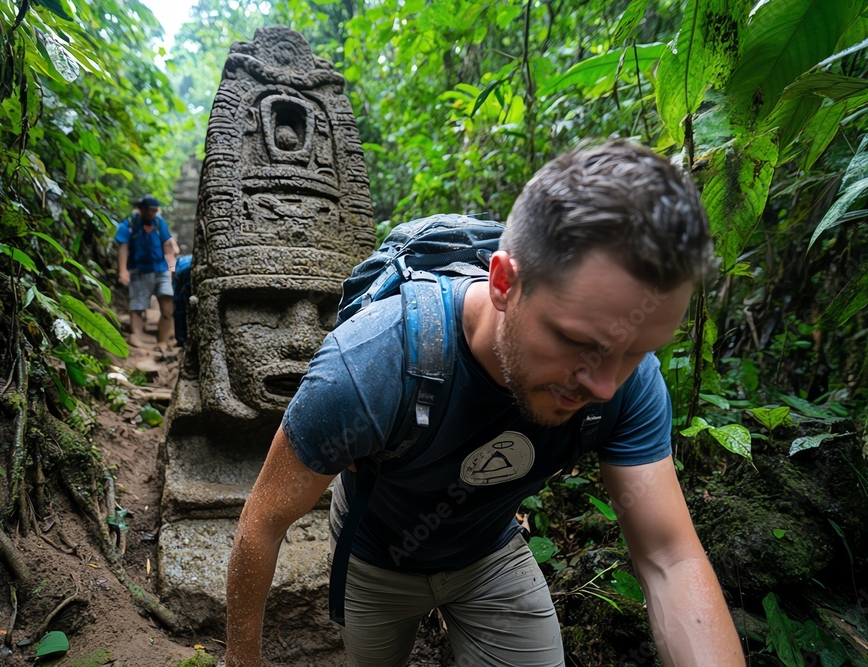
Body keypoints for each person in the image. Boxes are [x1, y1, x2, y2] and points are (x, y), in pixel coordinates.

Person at [225, 140, 745, 666]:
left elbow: (670, 558)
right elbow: (263, 521)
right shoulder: (369, 365)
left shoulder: (630, 384)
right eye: (577, 342)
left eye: (636, 351)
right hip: (375, 557)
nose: (607, 385)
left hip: (490, 553)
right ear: (503, 283)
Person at [115, 195, 180, 350]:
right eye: (151, 210)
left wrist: (171, 266)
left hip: (161, 270)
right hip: (139, 271)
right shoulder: (129, 225)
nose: (154, 213)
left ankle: (162, 342)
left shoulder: (158, 223)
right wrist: (123, 271)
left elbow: (167, 244)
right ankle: (136, 338)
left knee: (168, 305)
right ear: (143, 209)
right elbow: (123, 248)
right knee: (138, 307)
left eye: (156, 210)